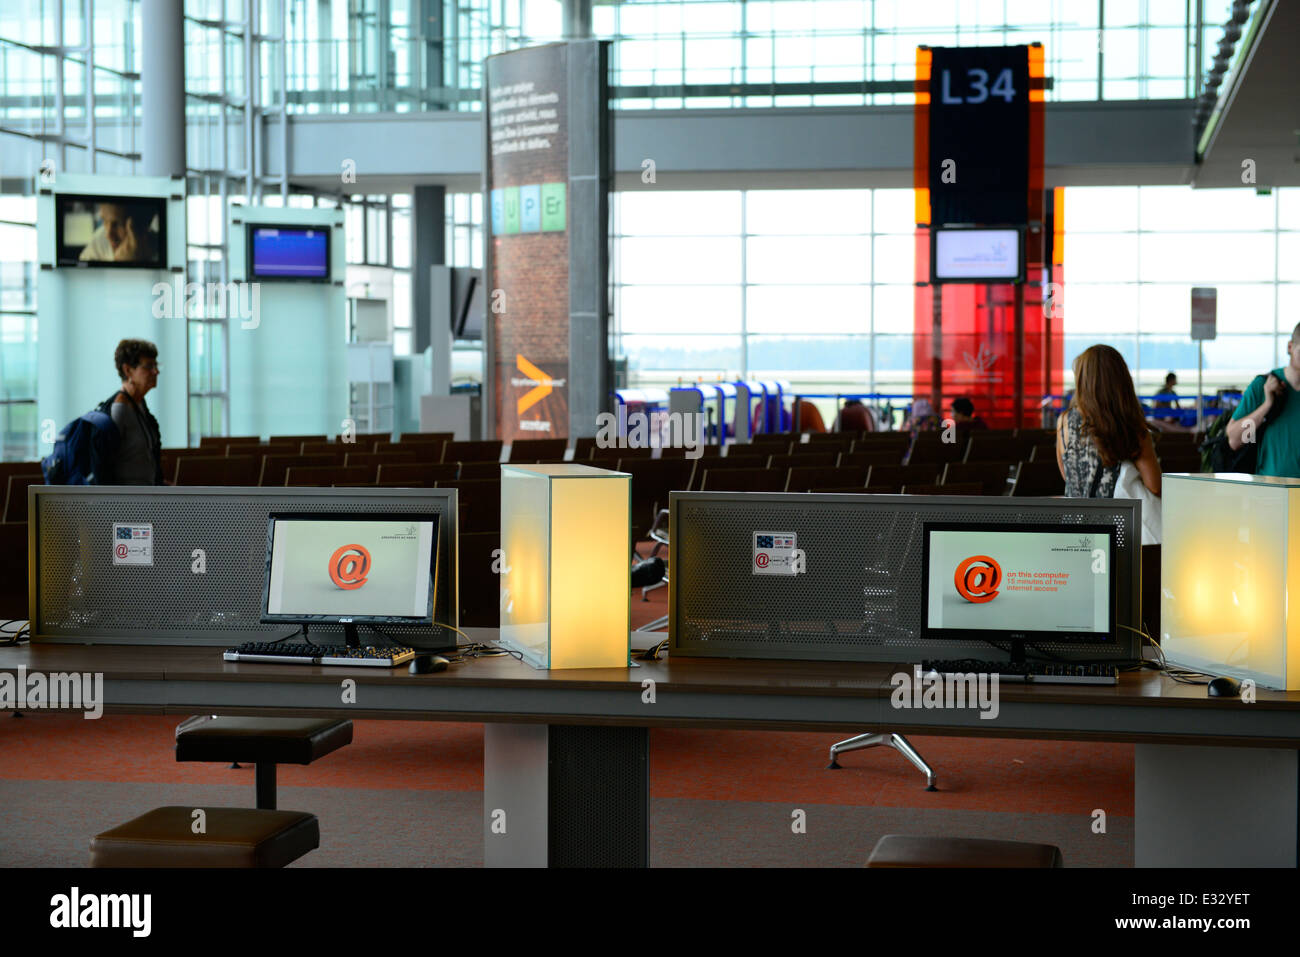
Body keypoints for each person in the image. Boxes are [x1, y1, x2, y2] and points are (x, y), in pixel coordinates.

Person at [1056, 345, 1161, 498]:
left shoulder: (1064, 421)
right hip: (1119, 520)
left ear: (1082, 380)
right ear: (1122, 382)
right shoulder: (1129, 426)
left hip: (1074, 519)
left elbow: (1069, 477)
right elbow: (1155, 487)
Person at [1226, 323, 1300, 478]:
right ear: (1290, 347)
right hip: (1271, 491)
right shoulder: (1262, 387)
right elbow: (1235, 440)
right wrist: (1266, 406)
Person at [110, 339, 165, 485]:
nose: (156, 371)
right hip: (127, 502)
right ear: (128, 370)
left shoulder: (140, 404)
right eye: (149, 366)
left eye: (156, 365)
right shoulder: (119, 410)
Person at [79, 202, 160, 263]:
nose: (108, 235)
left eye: (118, 224)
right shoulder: (100, 238)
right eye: (104, 220)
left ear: (143, 226)